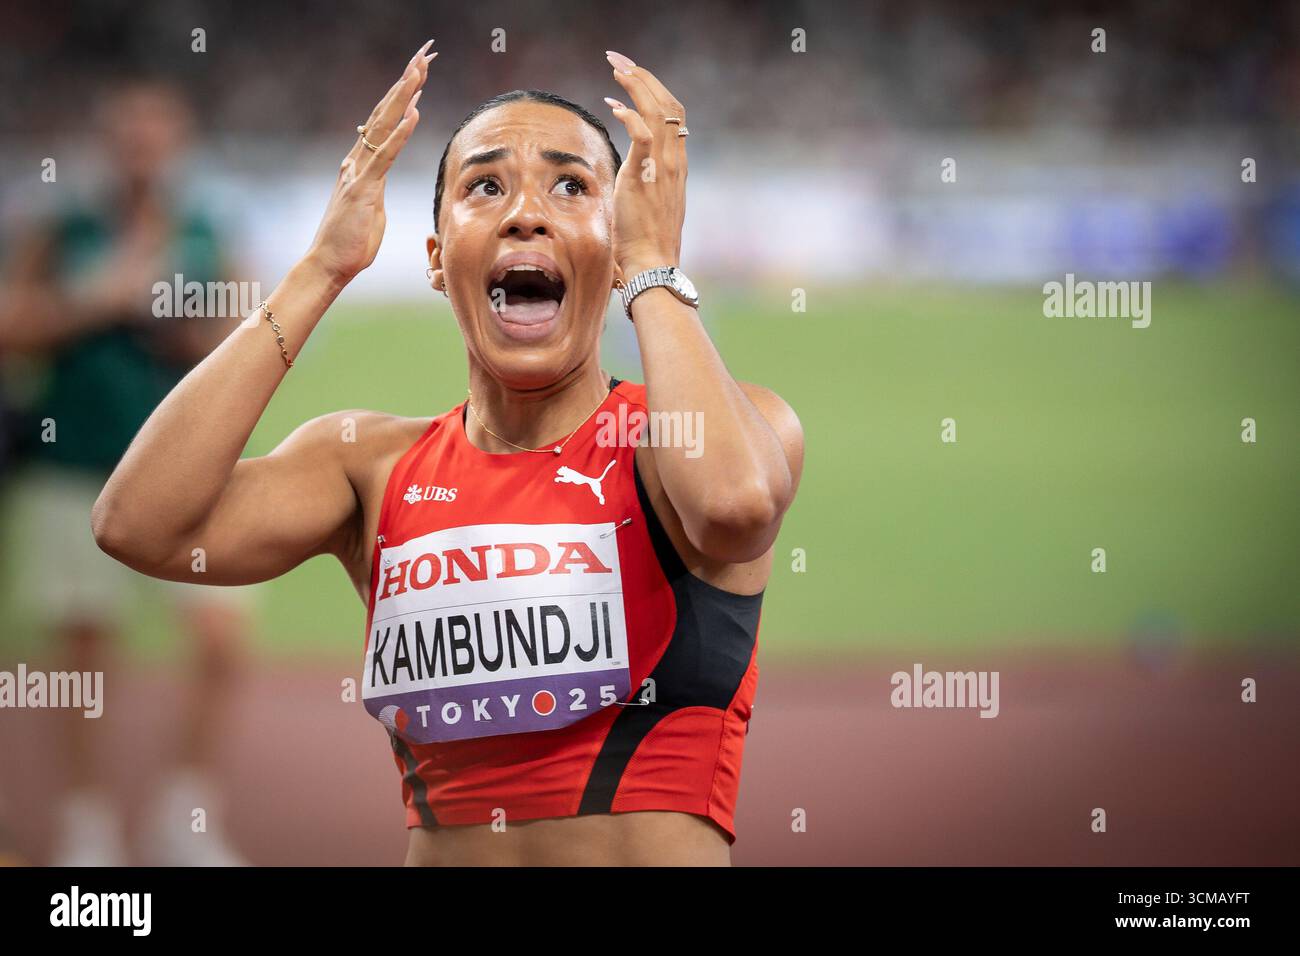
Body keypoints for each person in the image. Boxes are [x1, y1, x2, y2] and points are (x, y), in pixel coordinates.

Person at [92, 44, 803, 866]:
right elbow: (136, 524)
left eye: (571, 186)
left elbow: (732, 506)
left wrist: (651, 267)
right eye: (486, 186)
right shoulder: (368, 468)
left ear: (613, 250)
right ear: (436, 259)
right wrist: (320, 270)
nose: (525, 213)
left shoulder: (698, 439)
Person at [0, 80, 253, 866]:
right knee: (84, 651)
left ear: (178, 145)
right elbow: (12, 326)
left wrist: (173, 320)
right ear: (107, 145)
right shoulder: (62, 229)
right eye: (128, 136)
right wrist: (98, 299)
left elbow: (249, 337)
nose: (141, 151)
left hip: (187, 471)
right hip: (75, 463)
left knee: (220, 639)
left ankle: (186, 814)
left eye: (155, 136)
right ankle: (88, 823)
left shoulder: (207, 233)